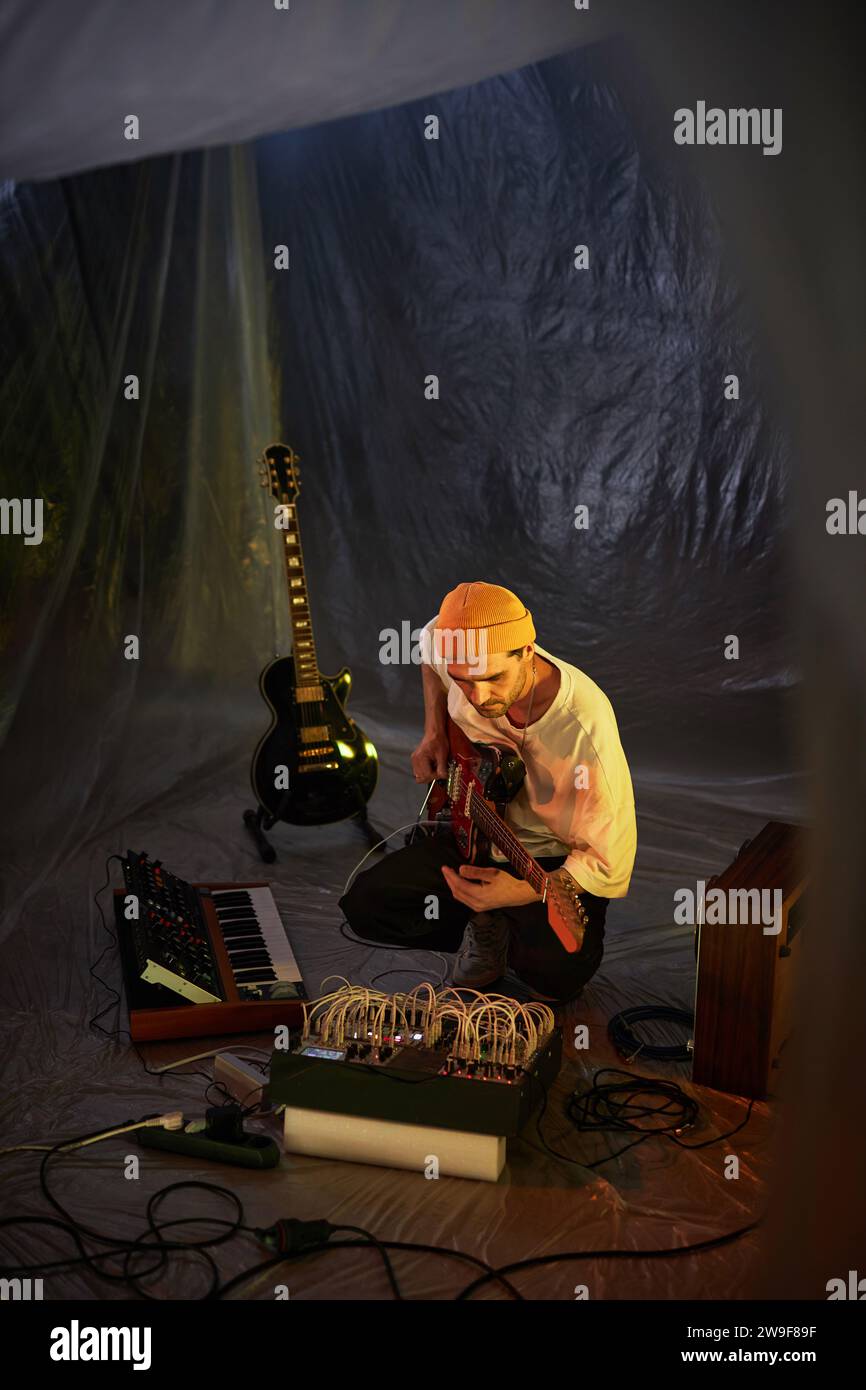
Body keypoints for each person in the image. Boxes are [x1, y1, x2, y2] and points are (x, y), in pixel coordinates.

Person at [339, 581, 637, 1003]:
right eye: (462, 681)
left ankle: (502, 916)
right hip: (471, 827)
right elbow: (428, 648)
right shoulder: (451, 650)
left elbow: (607, 861)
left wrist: (519, 891)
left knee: (556, 978)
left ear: (528, 654)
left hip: (541, 860)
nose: (478, 698)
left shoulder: (584, 730)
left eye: (493, 678)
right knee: (365, 906)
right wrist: (433, 733)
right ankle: (485, 924)